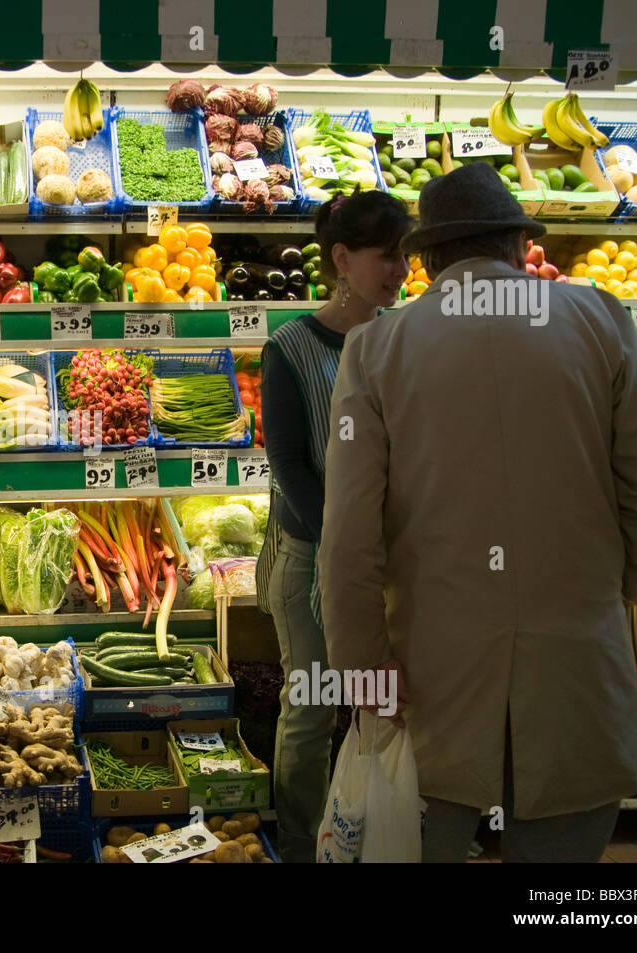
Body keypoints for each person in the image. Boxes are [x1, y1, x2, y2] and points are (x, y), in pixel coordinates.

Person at [317, 162, 637, 862]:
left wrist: (363, 665)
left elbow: (349, 540)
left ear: (426, 260)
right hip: (576, 667)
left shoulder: (376, 349)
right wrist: (608, 577)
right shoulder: (600, 318)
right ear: (521, 245)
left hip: (434, 688)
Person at [255, 189, 412, 863]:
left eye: (407, 254)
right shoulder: (290, 346)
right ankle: (299, 847)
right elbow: (288, 461)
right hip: (308, 553)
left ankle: (367, 839)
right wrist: (344, 539)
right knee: (312, 711)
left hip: (391, 560)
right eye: (388, 255)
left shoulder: (406, 337)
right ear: (343, 259)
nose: (401, 269)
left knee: (387, 708)